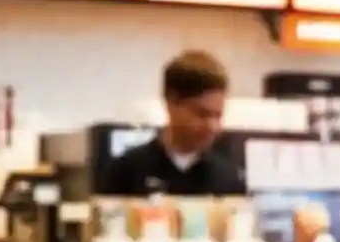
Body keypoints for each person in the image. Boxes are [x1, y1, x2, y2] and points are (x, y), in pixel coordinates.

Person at [98, 50, 244, 196]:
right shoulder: (126, 171)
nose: (213, 127)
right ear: (171, 103)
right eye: (201, 114)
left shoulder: (228, 179)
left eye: (218, 116)